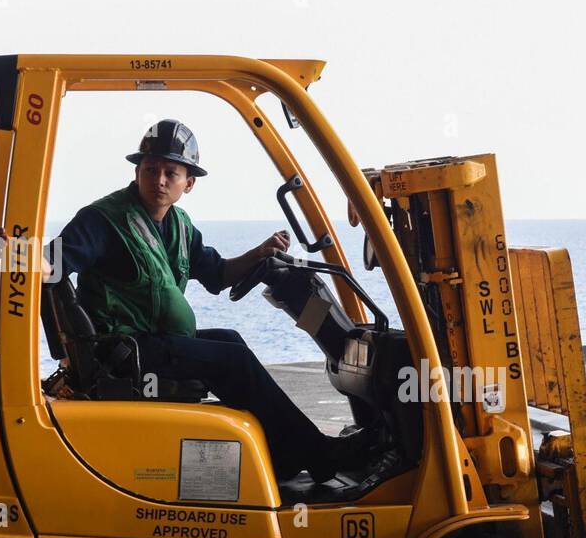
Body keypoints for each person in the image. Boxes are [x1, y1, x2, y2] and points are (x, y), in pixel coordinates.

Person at [48, 118, 371, 482]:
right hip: (125, 351)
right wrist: (67, 345)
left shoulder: (180, 225)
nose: (160, 180)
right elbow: (49, 268)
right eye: (151, 169)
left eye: (171, 172)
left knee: (230, 341)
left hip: (154, 342)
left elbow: (217, 274)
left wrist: (259, 253)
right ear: (137, 171)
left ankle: (281, 455)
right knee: (230, 359)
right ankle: (319, 453)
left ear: (189, 184)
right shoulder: (103, 220)